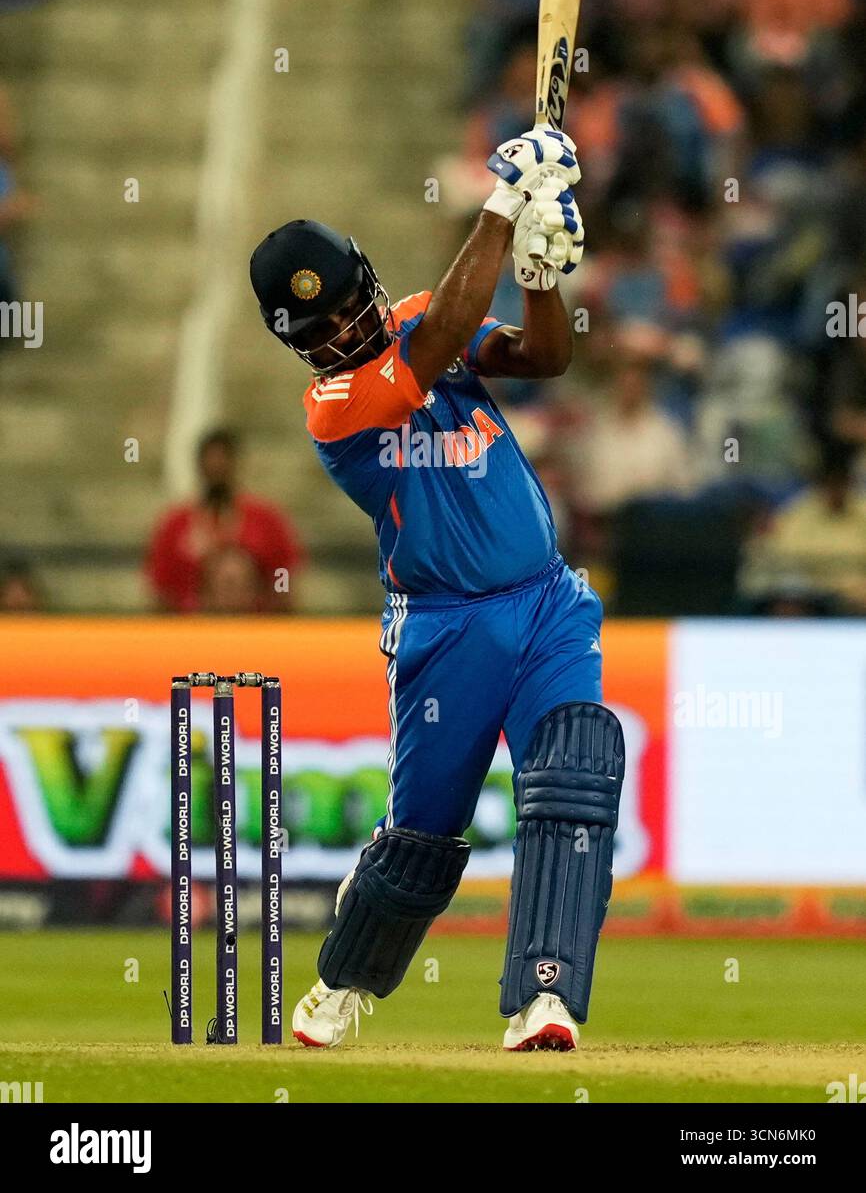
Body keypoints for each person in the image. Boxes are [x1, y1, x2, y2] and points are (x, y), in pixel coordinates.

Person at [250, 127, 625, 1052]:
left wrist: (540, 267)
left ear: (369, 285)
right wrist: (503, 203)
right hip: (444, 633)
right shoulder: (336, 410)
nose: (346, 329)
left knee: (573, 774)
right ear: (302, 350)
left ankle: (545, 995)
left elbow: (545, 360)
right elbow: (445, 337)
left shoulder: (425, 317)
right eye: (324, 329)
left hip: (546, 605)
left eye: (348, 309)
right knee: (424, 843)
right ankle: (343, 978)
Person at [145, 427, 305, 613]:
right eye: (211, 460)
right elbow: (159, 589)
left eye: (223, 459)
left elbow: (286, 576)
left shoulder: (266, 520)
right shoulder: (175, 524)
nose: (216, 466)